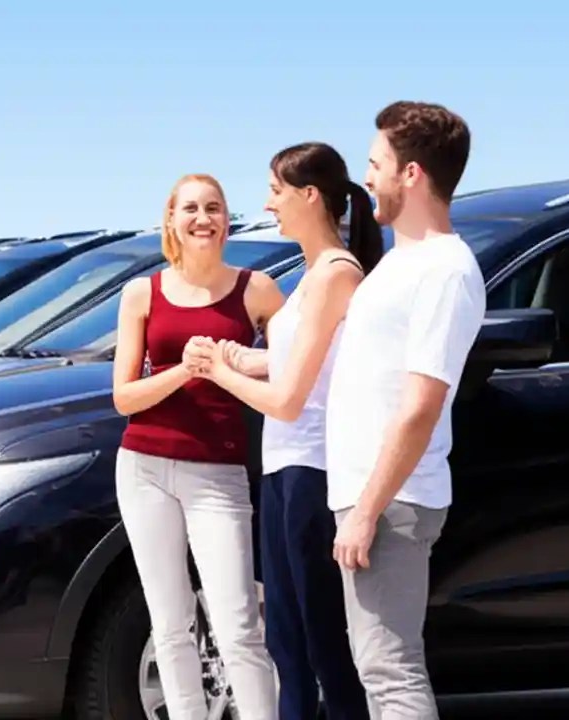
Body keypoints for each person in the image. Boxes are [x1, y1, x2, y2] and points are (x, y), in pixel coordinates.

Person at [184, 142, 382, 720]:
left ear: (309, 195)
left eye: (276, 191)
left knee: (322, 645)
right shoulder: (309, 274)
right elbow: (295, 363)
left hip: (313, 474)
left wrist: (222, 372)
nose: (269, 205)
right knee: (286, 644)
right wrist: (236, 358)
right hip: (283, 472)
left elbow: (291, 400)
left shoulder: (336, 275)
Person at [326, 102, 483, 718]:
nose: (367, 178)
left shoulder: (446, 270)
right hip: (374, 496)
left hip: (391, 500)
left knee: (391, 672)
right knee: (379, 667)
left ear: (411, 174)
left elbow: (420, 405)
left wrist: (366, 511)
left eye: (376, 164)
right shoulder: (402, 261)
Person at [112, 173, 285, 720]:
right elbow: (123, 397)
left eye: (213, 207)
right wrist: (184, 371)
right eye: (190, 208)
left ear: (227, 220)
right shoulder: (142, 293)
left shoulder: (257, 290)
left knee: (238, 626)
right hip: (143, 468)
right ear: (171, 220)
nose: (202, 218)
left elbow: (292, 369)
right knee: (170, 622)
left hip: (218, 474)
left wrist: (235, 363)